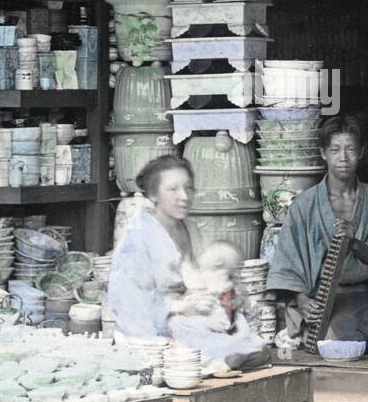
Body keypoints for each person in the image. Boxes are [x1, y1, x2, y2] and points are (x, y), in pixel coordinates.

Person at [107, 155, 269, 374]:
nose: (183, 196)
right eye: (173, 190)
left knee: (241, 329)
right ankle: (211, 358)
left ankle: (220, 354)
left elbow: (204, 275)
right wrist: (178, 307)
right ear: (154, 194)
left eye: (188, 188)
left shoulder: (189, 228)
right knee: (206, 342)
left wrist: (223, 292)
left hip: (189, 316)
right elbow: (128, 304)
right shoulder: (139, 237)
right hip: (152, 325)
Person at [265, 115, 368, 354]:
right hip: (324, 301)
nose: (343, 158)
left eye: (350, 149)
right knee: (338, 347)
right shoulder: (305, 205)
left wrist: (355, 244)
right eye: (335, 150)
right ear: (323, 153)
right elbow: (287, 262)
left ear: (361, 152)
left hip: (367, 297)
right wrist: (302, 300)